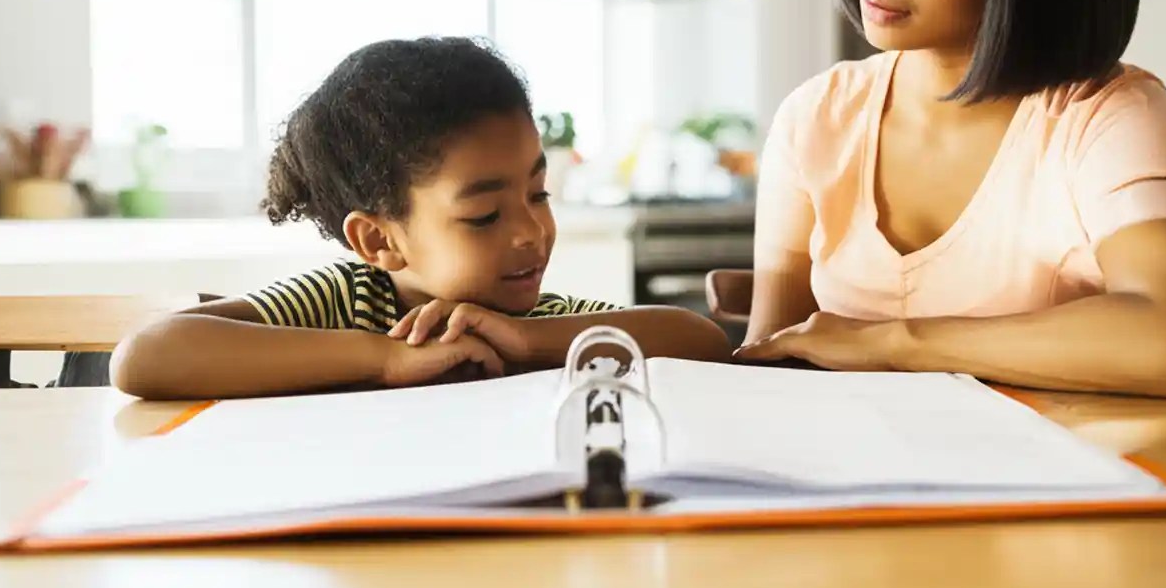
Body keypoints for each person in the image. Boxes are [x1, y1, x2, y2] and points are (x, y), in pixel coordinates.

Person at [735, 0, 1166, 398]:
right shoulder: (815, 113)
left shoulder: (1106, 115)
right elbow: (773, 354)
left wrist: (890, 343)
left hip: (1063, 474)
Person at [111, 38, 729, 400]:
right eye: (485, 215)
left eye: (538, 194)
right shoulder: (345, 304)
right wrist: (383, 359)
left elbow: (703, 342)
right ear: (379, 239)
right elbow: (146, 354)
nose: (531, 231)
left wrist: (528, 343)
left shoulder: (539, 322)